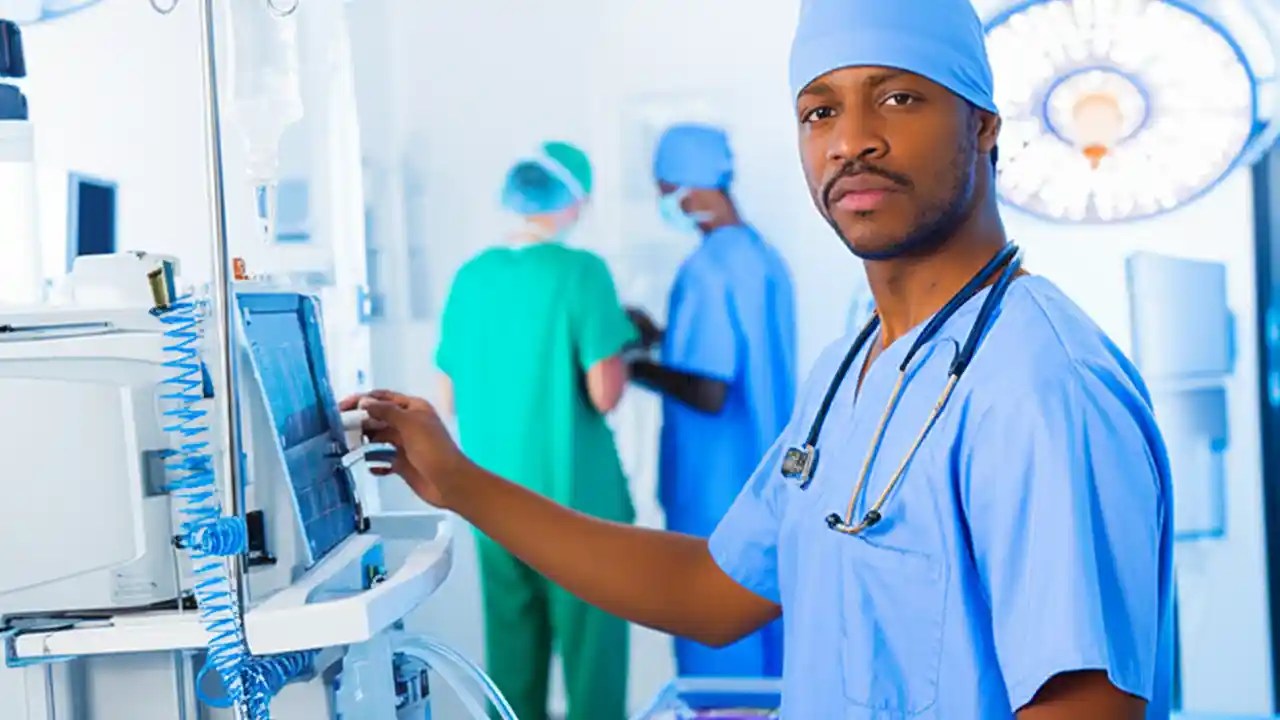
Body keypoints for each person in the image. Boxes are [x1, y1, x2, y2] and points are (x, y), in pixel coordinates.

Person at [348, 1, 1174, 716]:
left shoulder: (1040, 390)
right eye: (820, 112)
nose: (853, 140)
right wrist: (458, 483)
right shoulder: (854, 371)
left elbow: (1087, 705)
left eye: (898, 97)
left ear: (984, 124)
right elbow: (710, 592)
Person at [433, 141, 636, 720]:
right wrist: (624, 354)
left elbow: (449, 398)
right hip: (579, 507)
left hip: (496, 501)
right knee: (592, 663)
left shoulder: (472, 277)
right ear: (574, 200)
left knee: (511, 664)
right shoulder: (582, 272)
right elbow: (605, 393)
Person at [625, 123, 795, 679]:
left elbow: (708, 390)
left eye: (662, 187)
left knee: (719, 663)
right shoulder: (764, 258)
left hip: (715, 496)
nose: (661, 200)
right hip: (768, 483)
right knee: (774, 655)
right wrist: (664, 340)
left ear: (687, 187)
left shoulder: (706, 270)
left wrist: (636, 366)